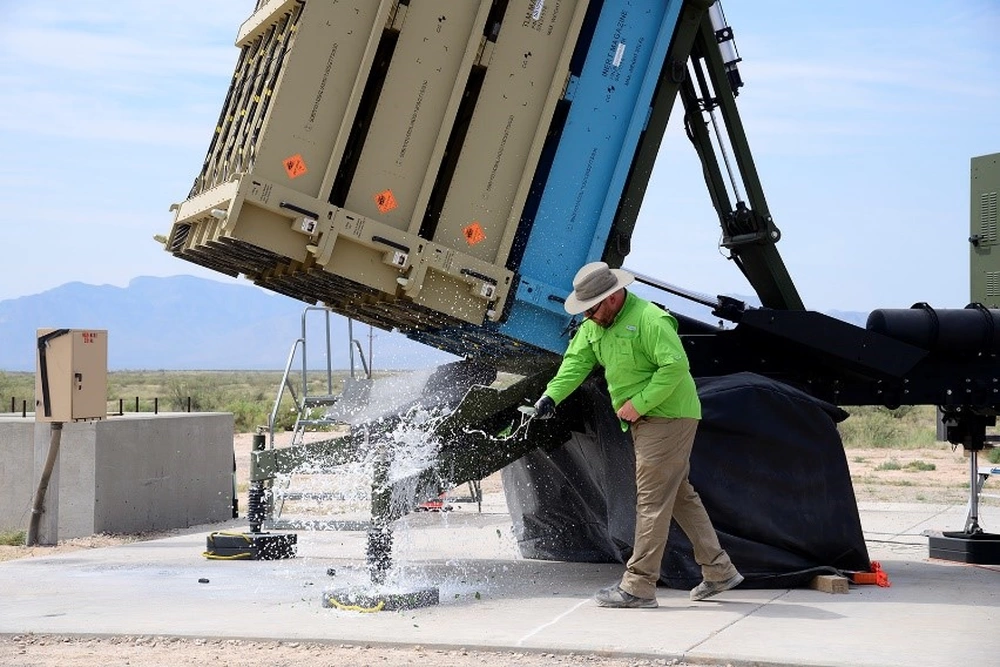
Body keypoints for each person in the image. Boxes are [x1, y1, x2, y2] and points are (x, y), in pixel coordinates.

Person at [532, 261, 743, 609]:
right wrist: (550, 397)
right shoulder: (595, 324)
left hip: (668, 415)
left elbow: (675, 366)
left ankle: (639, 587)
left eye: (593, 308)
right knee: (678, 496)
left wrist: (639, 404)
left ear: (614, 297)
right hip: (647, 419)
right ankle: (719, 570)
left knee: (650, 500)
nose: (588, 317)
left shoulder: (650, 320)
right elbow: (575, 364)